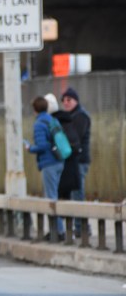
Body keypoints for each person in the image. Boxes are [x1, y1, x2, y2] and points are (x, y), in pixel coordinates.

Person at [25, 96, 65, 240]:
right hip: (60, 160)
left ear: (35, 110)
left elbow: (43, 146)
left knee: (51, 197)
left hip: (49, 163)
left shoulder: (39, 124)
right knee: (54, 195)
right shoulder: (53, 120)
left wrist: (30, 148)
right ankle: (58, 230)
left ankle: (58, 231)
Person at [60, 88, 91, 237]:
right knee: (74, 193)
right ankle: (78, 227)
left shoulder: (81, 116)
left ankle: (82, 228)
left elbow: (75, 138)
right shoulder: (71, 116)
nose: (65, 103)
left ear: (75, 101)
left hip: (80, 161)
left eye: (68, 100)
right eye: (63, 100)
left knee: (78, 193)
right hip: (73, 161)